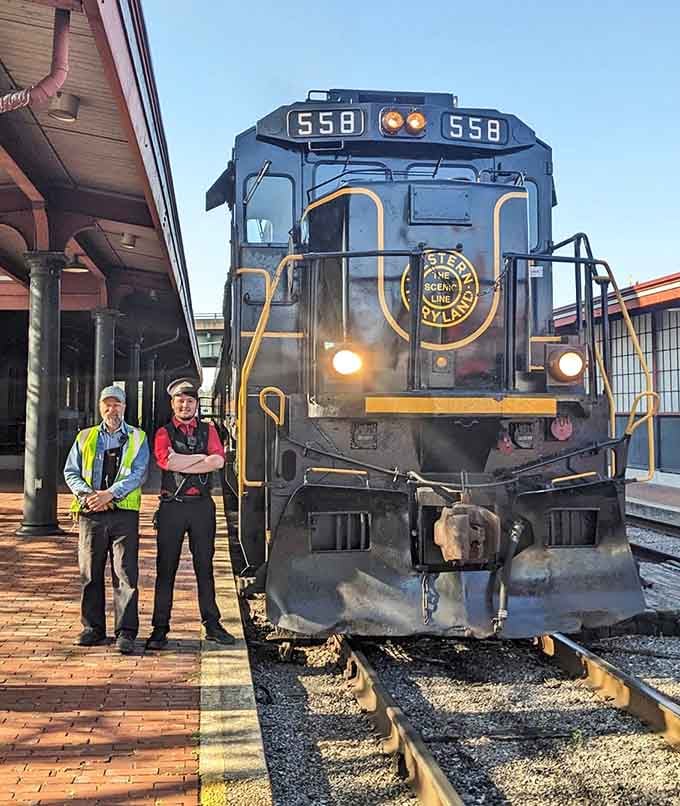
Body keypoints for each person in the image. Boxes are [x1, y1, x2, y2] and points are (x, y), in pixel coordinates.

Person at [145, 378, 235, 650]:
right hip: (172, 507)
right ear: (173, 404)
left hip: (202, 508)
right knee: (166, 570)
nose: (185, 405)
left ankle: (212, 624)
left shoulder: (209, 430)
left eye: (190, 401)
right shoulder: (163, 432)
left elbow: (218, 461)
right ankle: (160, 629)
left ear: (196, 403)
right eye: (180, 401)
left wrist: (185, 462)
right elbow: (165, 461)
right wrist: (201, 460)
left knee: (205, 569)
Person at [64, 385, 149, 654]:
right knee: (90, 572)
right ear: (101, 407)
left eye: (117, 405)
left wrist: (110, 494)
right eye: (107, 404)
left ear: (125, 407)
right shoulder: (85, 436)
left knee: (125, 574)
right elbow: (71, 471)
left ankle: (125, 632)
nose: (112, 409)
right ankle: (93, 628)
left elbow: (138, 473)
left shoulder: (138, 437)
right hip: (91, 513)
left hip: (123, 514)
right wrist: (90, 496)